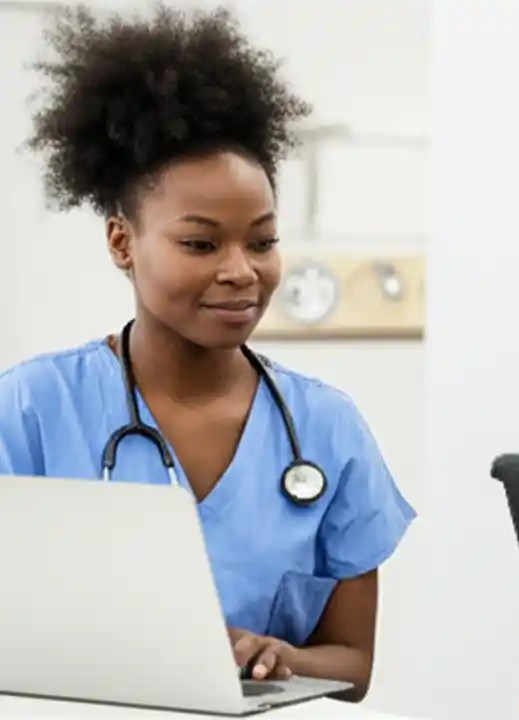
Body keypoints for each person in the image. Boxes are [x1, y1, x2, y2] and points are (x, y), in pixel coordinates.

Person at [5, 4, 416, 701]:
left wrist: (276, 654)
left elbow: (353, 668)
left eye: (261, 241)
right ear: (121, 243)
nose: (241, 271)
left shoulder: (326, 428)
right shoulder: (32, 409)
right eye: (200, 244)